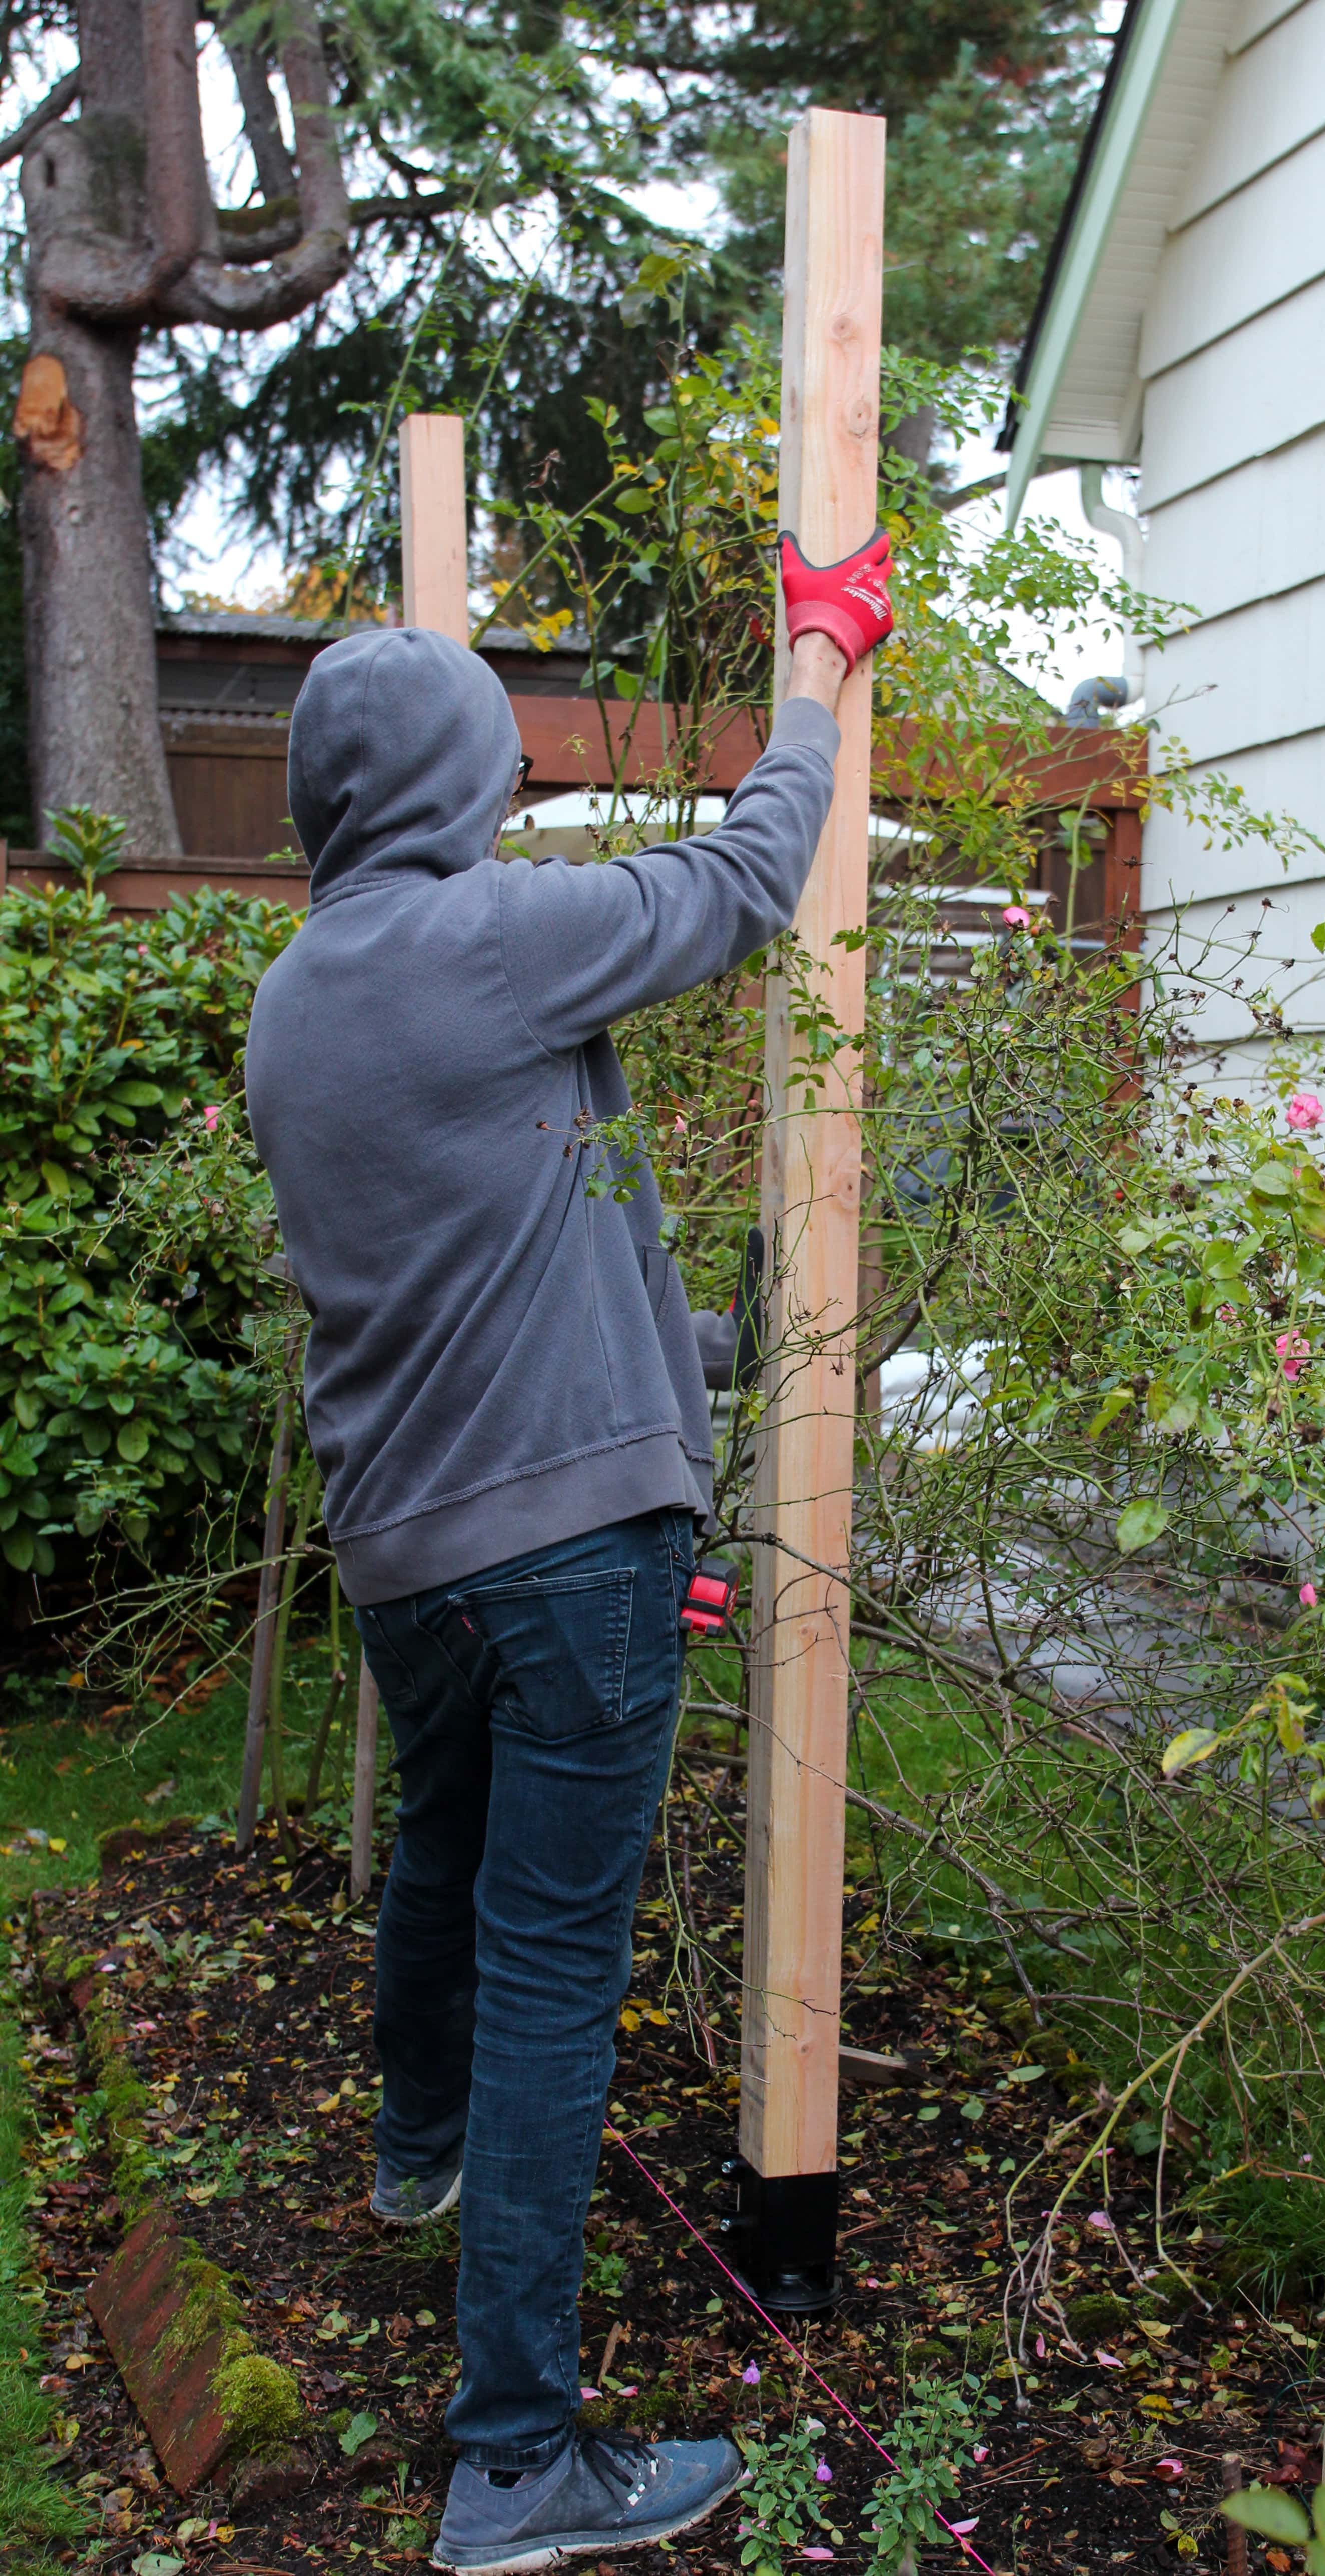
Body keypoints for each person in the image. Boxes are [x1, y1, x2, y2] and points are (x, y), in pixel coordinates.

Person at [245, 529, 894, 2572]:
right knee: (555, 1986)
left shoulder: (299, 1000)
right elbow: (733, 886)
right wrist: (816, 662)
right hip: (567, 1552)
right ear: (444, 784)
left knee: (445, 1847)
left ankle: (414, 2146)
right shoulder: (481, 943)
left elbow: (476, 1251)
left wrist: (692, 1340)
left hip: (412, 1553)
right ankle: (517, 2458)